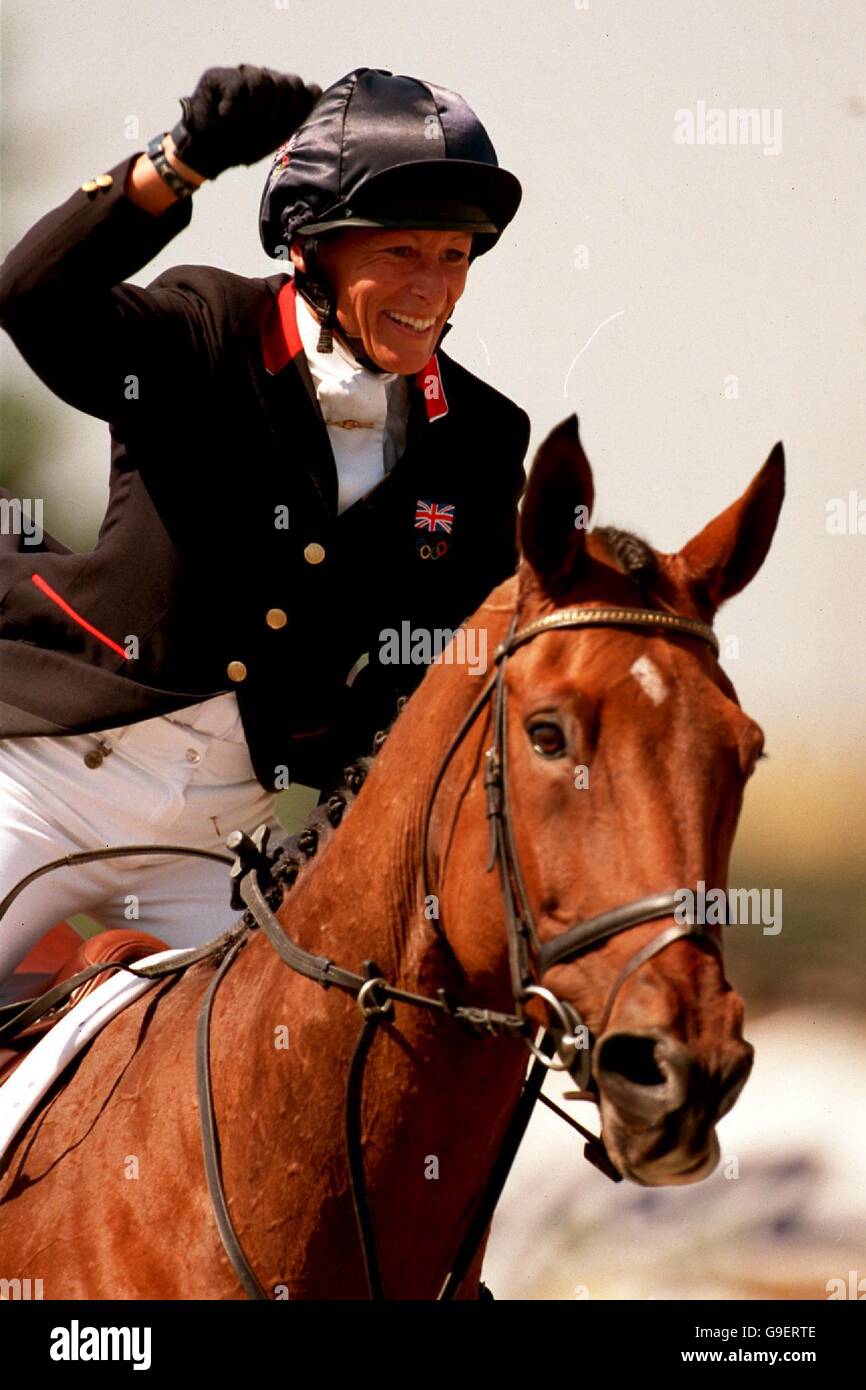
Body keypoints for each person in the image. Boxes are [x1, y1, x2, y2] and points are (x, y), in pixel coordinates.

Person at [0, 64, 531, 983]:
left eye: (454, 256)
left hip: (222, 841)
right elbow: (32, 297)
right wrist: (181, 163)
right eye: (401, 252)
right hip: (49, 785)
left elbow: (436, 666)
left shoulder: (482, 438)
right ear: (309, 248)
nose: (434, 290)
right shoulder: (203, 332)